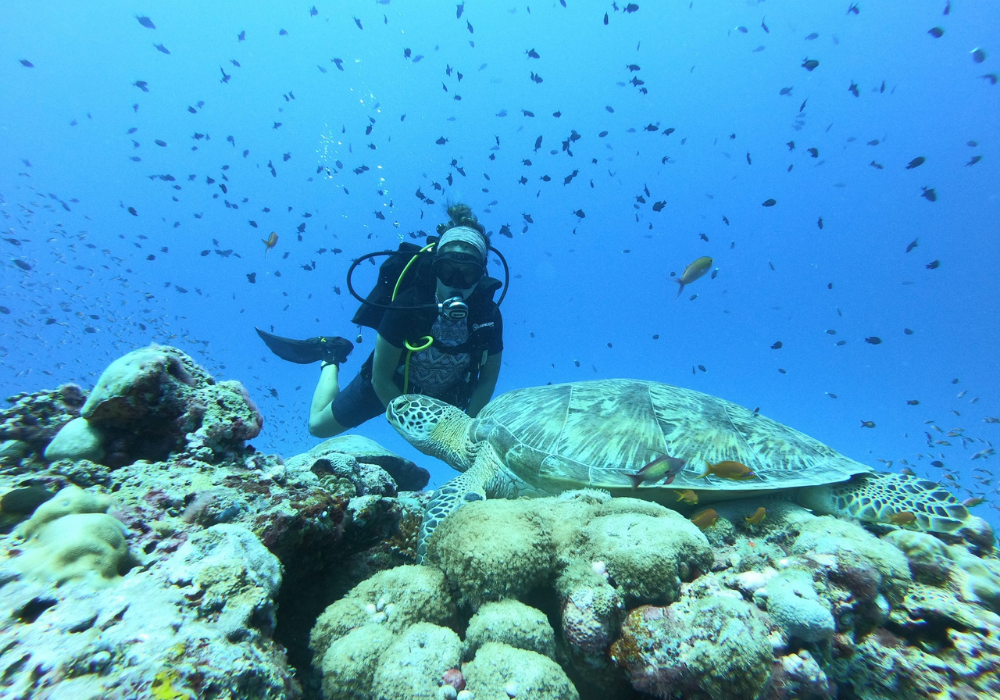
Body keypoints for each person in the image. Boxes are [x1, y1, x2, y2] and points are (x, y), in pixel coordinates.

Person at [256, 204, 504, 438]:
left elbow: (488, 379)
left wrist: (464, 433)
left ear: (481, 273)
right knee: (318, 426)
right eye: (447, 270)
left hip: (449, 393)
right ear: (435, 267)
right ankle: (331, 354)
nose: (455, 282)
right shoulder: (408, 303)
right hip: (390, 384)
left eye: (468, 272)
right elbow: (380, 378)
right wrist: (410, 429)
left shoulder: (489, 315)